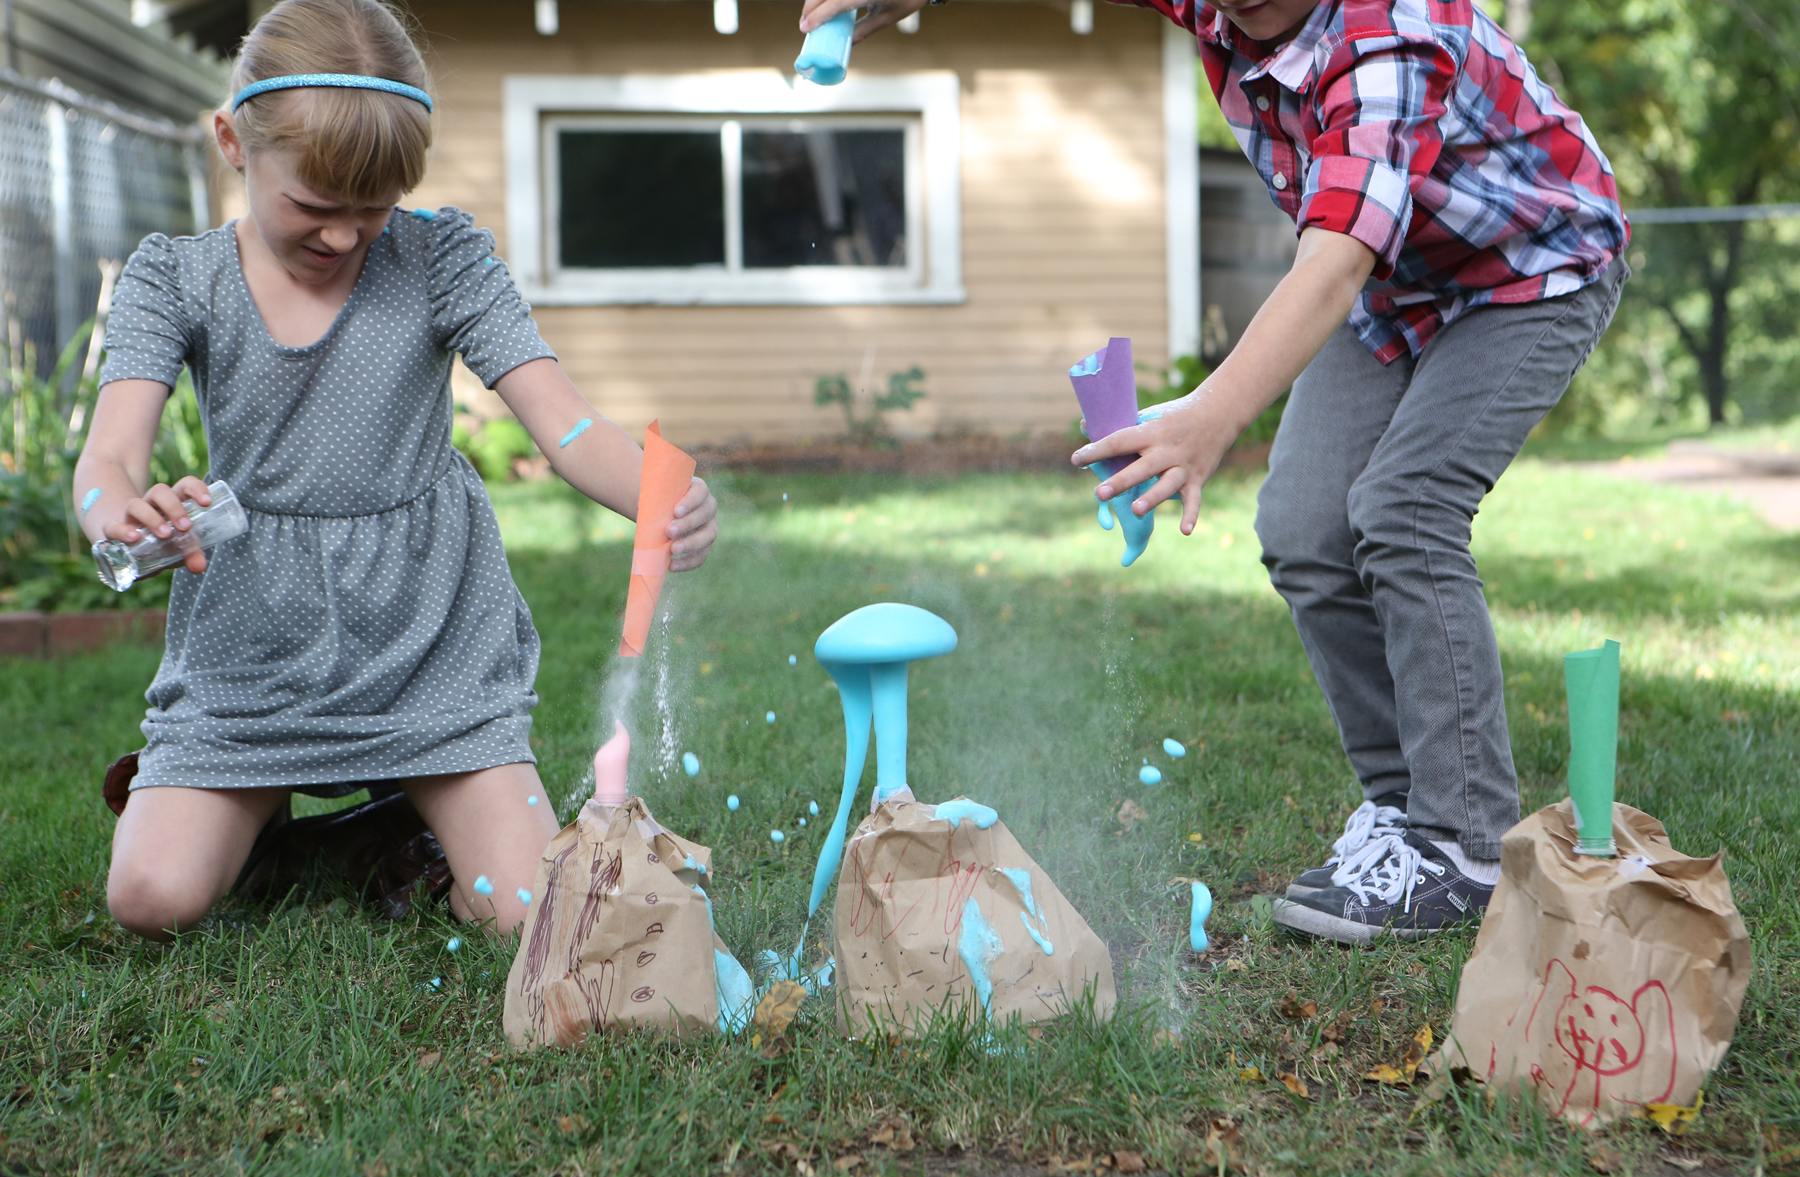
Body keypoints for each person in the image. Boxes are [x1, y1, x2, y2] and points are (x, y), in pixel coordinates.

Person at [804, 0, 1628, 942]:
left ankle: (1467, 847)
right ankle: (1404, 817)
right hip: (1396, 289)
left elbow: (1333, 265)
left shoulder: (1385, 37)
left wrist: (1210, 416)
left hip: (1526, 272)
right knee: (1304, 530)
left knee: (1404, 509)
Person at [74, 0, 719, 943]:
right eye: (314, 207)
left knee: (529, 913)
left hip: (425, 626)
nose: (343, 238)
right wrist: (119, 513)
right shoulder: (177, 277)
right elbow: (108, 459)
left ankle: (405, 826)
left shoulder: (441, 258)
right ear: (232, 142)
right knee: (151, 899)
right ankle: (302, 830)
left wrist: (653, 492)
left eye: (372, 212)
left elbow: (564, 420)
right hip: (256, 636)